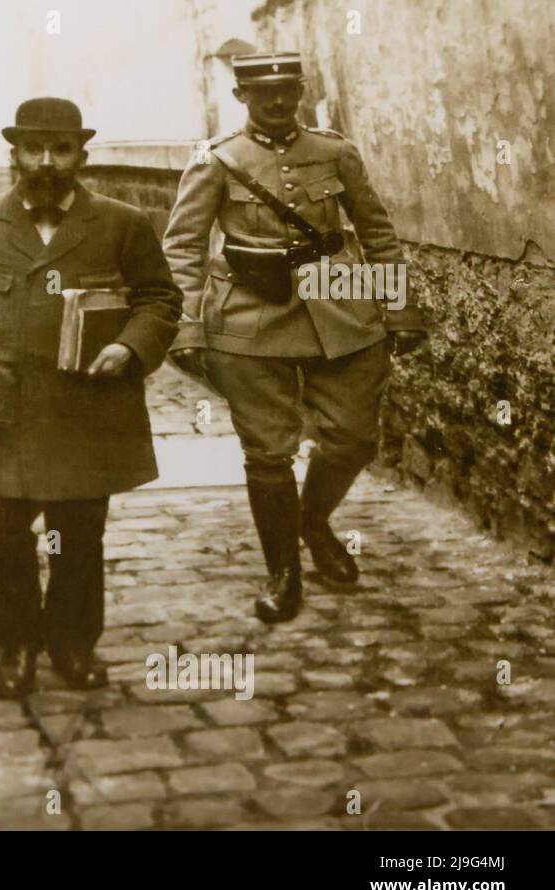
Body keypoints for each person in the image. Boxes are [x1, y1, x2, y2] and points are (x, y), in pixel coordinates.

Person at [0, 98, 182, 699]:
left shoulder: (121, 223)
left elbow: (160, 300)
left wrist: (131, 349)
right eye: (33, 147)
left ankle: (71, 643)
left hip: (84, 409)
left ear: (81, 155)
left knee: (78, 535)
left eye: (61, 149)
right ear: (14, 153)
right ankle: (16, 642)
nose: (46, 161)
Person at [163, 52, 428, 623]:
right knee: (267, 451)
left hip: (342, 305)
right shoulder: (216, 161)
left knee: (355, 438)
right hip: (249, 317)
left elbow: (378, 233)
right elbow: (182, 248)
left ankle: (313, 521)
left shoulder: (335, 152)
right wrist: (186, 325)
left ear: (302, 90)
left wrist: (400, 309)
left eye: (288, 90)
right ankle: (283, 572)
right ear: (242, 98)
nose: (279, 102)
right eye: (264, 93)